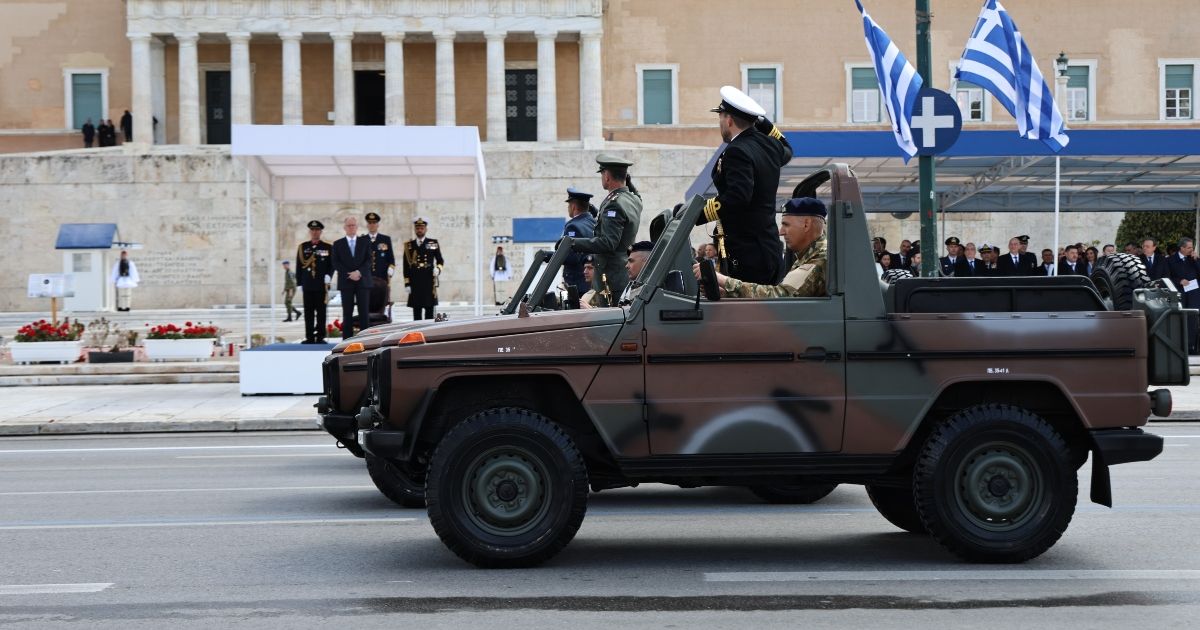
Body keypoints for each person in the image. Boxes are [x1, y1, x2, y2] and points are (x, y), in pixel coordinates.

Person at [695, 85, 793, 284]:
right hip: (768, 248)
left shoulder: (737, 151)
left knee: (745, 313)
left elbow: (738, 197)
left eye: (720, 117)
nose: (720, 123)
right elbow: (787, 148)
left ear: (729, 119)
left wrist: (697, 213)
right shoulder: (769, 145)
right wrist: (768, 126)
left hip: (747, 254)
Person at [694, 197, 827, 299]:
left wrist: (723, 280)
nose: (781, 232)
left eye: (786, 225)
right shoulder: (807, 255)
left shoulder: (821, 256)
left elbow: (780, 297)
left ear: (806, 225)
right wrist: (726, 293)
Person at [571, 154, 642, 300]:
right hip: (621, 272)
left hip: (610, 278)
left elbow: (608, 243)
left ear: (607, 176)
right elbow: (636, 197)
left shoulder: (614, 204)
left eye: (602, 174)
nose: (602, 178)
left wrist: (572, 243)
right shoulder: (632, 199)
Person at [332, 216, 373, 337]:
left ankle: (366, 339)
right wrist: (349, 274)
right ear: (344, 228)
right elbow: (335, 262)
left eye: (353, 225)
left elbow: (369, 260)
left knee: (364, 313)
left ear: (357, 227)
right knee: (347, 313)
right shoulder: (338, 244)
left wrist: (358, 272)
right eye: (349, 225)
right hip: (346, 282)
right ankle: (347, 340)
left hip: (363, 281)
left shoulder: (365, 242)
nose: (351, 228)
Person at [296, 220, 333, 343]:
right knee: (308, 313)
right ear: (310, 231)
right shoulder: (303, 247)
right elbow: (299, 266)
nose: (315, 232)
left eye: (317, 230)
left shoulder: (328, 247)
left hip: (321, 285)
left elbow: (331, 265)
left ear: (321, 231)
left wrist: (329, 275)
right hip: (307, 285)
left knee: (321, 312)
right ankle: (310, 337)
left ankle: (320, 337)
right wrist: (299, 283)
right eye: (312, 230)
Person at [403, 217, 444, 321]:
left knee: (429, 312)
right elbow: (406, 266)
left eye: (422, 228)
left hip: (428, 281)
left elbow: (440, 260)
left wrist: (438, 269)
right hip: (415, 282)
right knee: (416, 313)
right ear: (415, 229)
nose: (419, 230)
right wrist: (407, 283)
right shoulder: (409, 246)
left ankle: (428, 334)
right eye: (417, 228)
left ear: (426, 229)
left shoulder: (432, 243)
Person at [562, 187, 597, 300]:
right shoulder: (593, 222)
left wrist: (550, 256)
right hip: (590, 281)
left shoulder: (573, 226)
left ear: (573, 206)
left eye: (569, 205)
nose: (568, 208)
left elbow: (572, 256)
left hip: (577, 283)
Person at [1168, 237, 1200, 354]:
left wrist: (1196, 260)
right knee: (1179, 318)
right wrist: (1179, 281)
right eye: (1189, 248)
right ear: (1181, 248)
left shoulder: (1194, 259)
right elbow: (1167, 276)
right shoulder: (1170, 260)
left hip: (1193, 294)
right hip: (1179, 293)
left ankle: (1191, 346)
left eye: (1192, 247)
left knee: (1192, 320)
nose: (1191, 250)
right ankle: (1179, 346)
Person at [363, 211, 395, 319]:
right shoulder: (362, 240)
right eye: (370, 223)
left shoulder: (385, 239)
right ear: (367, 225)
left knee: (382, 306)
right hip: (367, 279)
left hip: (381, 280)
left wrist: (391, 269)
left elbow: (391, 259)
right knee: (367, 305)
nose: (372, 225)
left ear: (378, 225)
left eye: (374, 223)